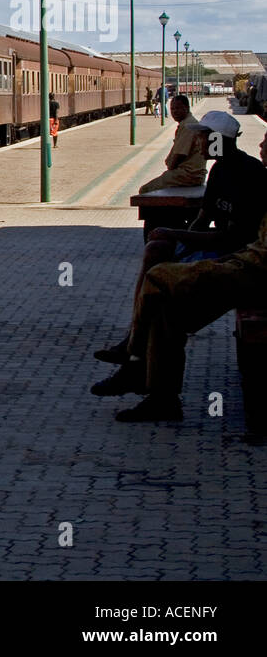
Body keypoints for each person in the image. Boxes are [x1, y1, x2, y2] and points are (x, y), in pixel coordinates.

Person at [93, 125, 267, 422]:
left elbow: (241, 242)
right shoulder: (225, 172)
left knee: (158, 276)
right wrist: (183, 240)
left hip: (252, 271)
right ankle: (163, 400)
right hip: (246, 265)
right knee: (166, 311)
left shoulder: (253, 176)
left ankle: (133, 358)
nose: (261, 144)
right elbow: (206, 220)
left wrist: (200, 249)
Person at [137, 94, 206, 193]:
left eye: (178, 108)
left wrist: (170, 170)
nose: (174, 112)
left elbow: (180, 155)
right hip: (189, 174)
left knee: (145, 190)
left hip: (188, 175)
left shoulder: (188, 125)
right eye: (172, 109)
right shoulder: (188, 122)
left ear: (187, 108)